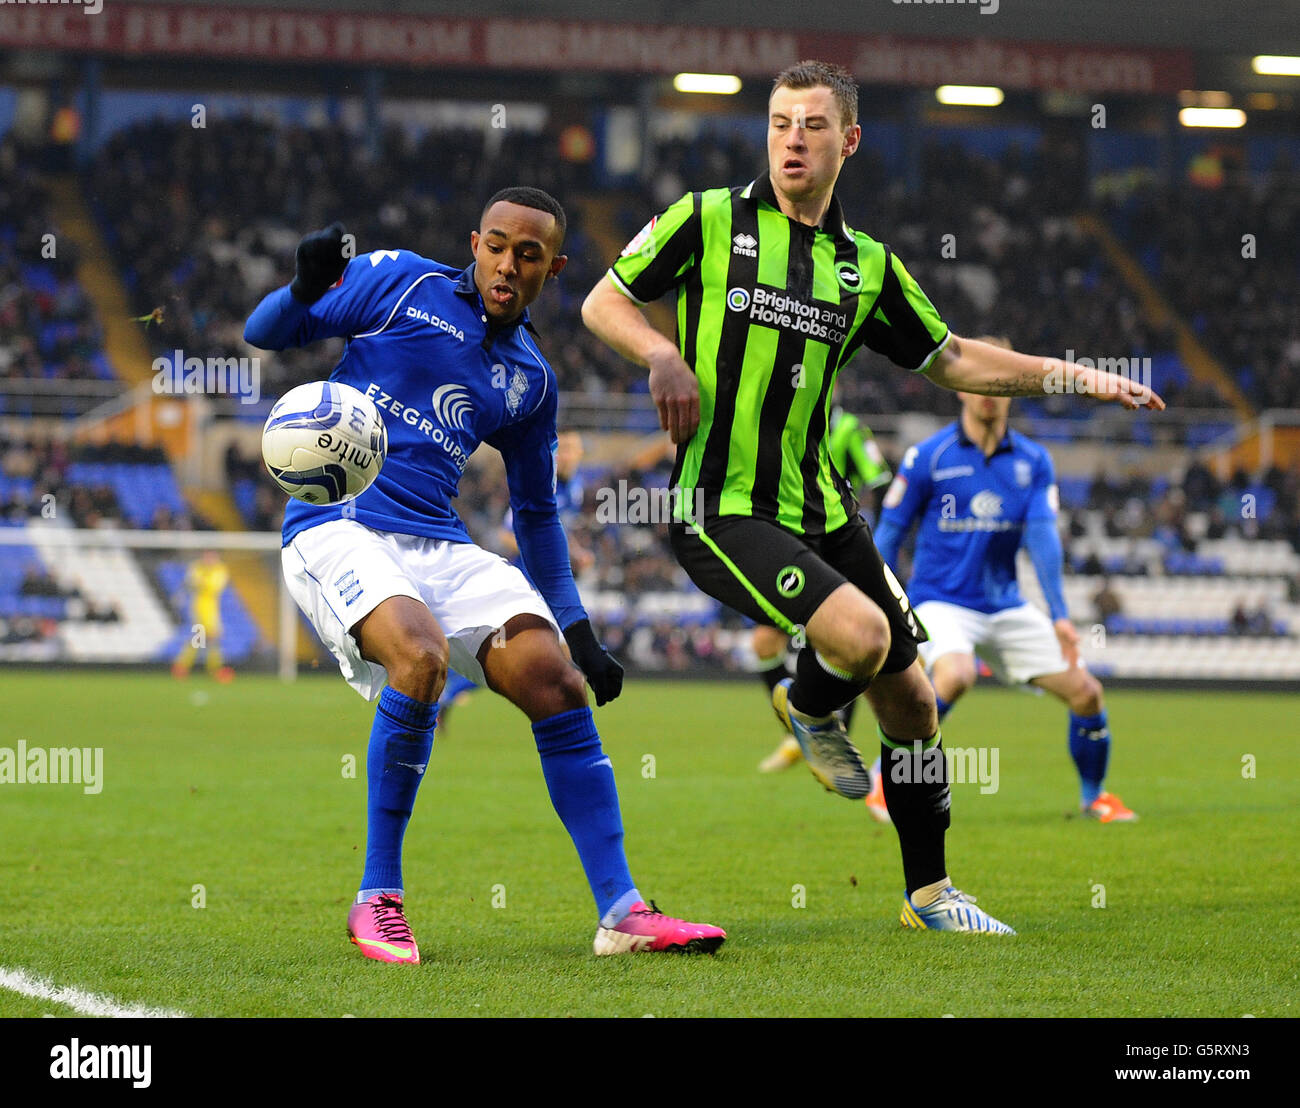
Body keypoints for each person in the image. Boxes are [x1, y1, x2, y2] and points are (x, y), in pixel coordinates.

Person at [582, 60, 1161, 933]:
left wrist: (1074, 375)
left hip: (823, 509)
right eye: (780, 123)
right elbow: (603, 301)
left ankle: (930, 893)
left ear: (848, 141)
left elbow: (955, 359)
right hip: (723, 506)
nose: (792, 140)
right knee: (861, 635)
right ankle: (810, 703)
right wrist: (660, 353)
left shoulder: (865, 268)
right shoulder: (705, 220)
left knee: (917, 704)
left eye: (813, 125)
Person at [244, 188, 723, 963]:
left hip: (439, 542)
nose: (508, 263)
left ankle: (621, 912)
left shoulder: (531, 380)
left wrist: (579, 632)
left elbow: (535, 515)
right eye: (496, 245)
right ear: (475, 243)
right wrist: (303, 287)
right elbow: (266, 332)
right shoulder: (400, 281)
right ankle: (378, 899)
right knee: (420, 655)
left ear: (552, 269)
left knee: (554, 681)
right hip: (342, 525)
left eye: (528, 254)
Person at [874, 350, 1137, 824]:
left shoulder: (1034, 461)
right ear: (961, 386)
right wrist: (878, 604)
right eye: (981, 382)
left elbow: (1042, 540)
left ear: (1013, 390)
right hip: (940, 602)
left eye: (1001, 384)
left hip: (1004, 606)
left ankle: (1094, 797)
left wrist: (1059, 615)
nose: (989, 393)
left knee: (1087, 694)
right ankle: (883, 779)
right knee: (956, 675)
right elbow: (888, 535)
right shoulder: (929, 456)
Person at [756, 404, 892, 774]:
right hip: (788, 547)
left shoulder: (850, 428)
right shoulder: (781, 418)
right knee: (764, 643)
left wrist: (868, 543)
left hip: (835, 548)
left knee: (844, 644)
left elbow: (879, 480)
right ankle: (802, 730)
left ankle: (831, 731)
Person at [439, 430, 593, 728]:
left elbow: (560, 531)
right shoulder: (542, 486)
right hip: (526, 584)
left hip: (547, 583)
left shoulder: (574, 488)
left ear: (581, 454)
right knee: (538, 652)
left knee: (515, 654)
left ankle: (450, 693)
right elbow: (508, 534)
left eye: (573, 448)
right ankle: (566, 714)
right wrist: (547, 551)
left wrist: (576, 552)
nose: (566, 454)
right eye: (562, 448)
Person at [171, 550, 234, 683]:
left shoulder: (219, 569)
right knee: (210, 636)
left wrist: (200, 582)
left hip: (211, 607)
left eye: (212, 557)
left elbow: (213, 586)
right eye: (207, 557)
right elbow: (191, 582)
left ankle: (182, 666)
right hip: (199, 606)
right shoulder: (197, 567)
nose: (209, 560)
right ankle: (215, 668)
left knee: (199, 638)